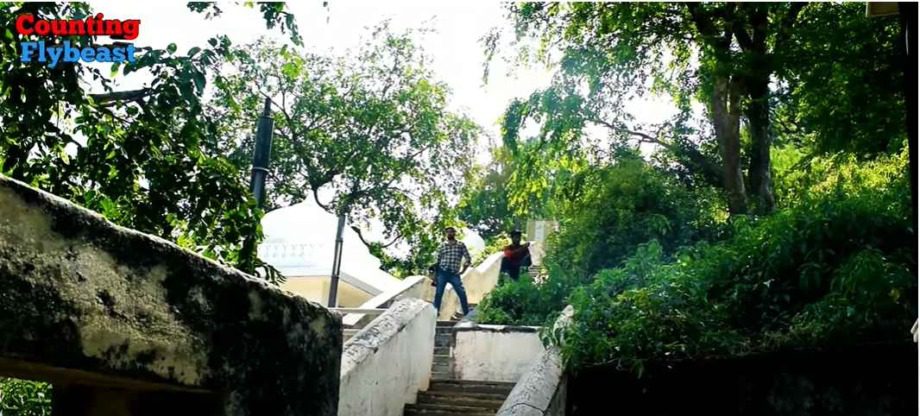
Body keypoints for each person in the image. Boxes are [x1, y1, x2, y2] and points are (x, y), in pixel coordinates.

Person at [432, 226, 472, 317]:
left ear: (455, 233)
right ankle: (435, 312)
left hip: (454, 273)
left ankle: (466, 312)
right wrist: (435, 276)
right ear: (446, 234)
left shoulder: (460, 245)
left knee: (461, 292)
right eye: (448, 232)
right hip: (442, 272)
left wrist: (463, 271)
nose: (450, 233)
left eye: (451, 232)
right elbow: (437, 261)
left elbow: (468, 259)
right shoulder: (442, 245)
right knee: (439, 293)